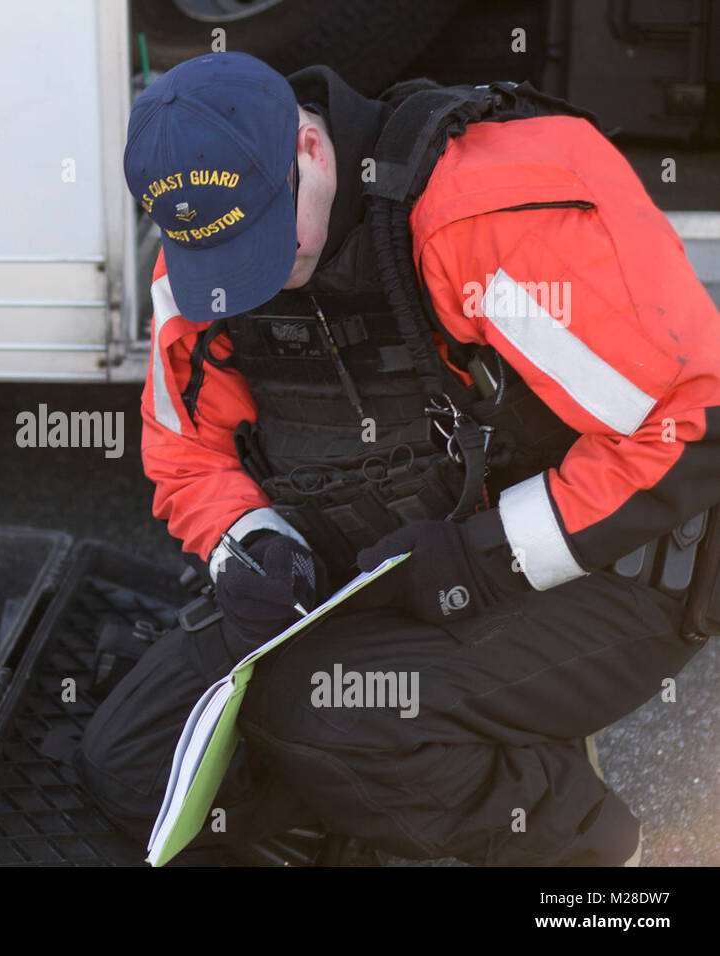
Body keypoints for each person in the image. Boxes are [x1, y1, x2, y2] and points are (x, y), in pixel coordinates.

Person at [74, 51, 720, 866]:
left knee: (325, 712)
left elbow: (693, 419)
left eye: (271, 236)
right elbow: (185, 449)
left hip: (601, 562)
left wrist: (486, 557)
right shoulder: (209, 239)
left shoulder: (481, 212)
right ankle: (384, 799)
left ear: (309, 147)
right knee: (129, 767)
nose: (256, 275)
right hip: (392, 557)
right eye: (228, 257)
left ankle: (589, 855)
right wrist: (252, 542)